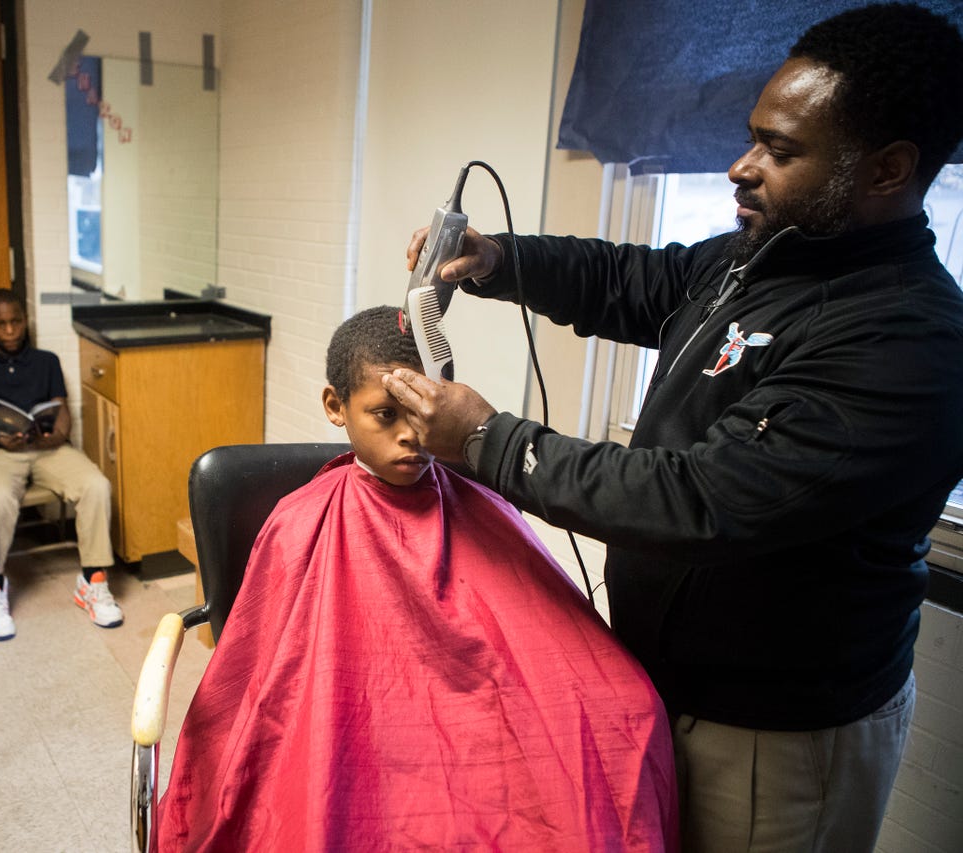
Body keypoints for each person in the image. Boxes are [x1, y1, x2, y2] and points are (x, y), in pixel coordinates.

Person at [384, 4, 963, 851]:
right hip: (662, 679)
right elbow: (634, 280)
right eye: (752, 137)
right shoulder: (761, 257)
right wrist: (503, 260)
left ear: (888, 170)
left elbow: (702, 500)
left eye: (782, 150)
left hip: (771, 736)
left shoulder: (909, 343)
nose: (741, 167)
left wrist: (488, 440)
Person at [156, 306, 677, 851]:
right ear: (336, 407)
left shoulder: (484, 505)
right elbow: (260, 677)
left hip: (470, 727)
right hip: (352, 723)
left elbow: (535, 637)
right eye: (384, 415)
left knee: (628, 711)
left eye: (421, 414)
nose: (411, 436)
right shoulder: (299, 521)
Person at [0, 288, 122, 639]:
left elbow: (60, 408)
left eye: (16, 321)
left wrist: (58, 433)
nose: (10, 330)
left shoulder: (46, 360)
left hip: (46, 447)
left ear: (25, 319)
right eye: (1, 324)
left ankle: (92, 581)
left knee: (96, 485)